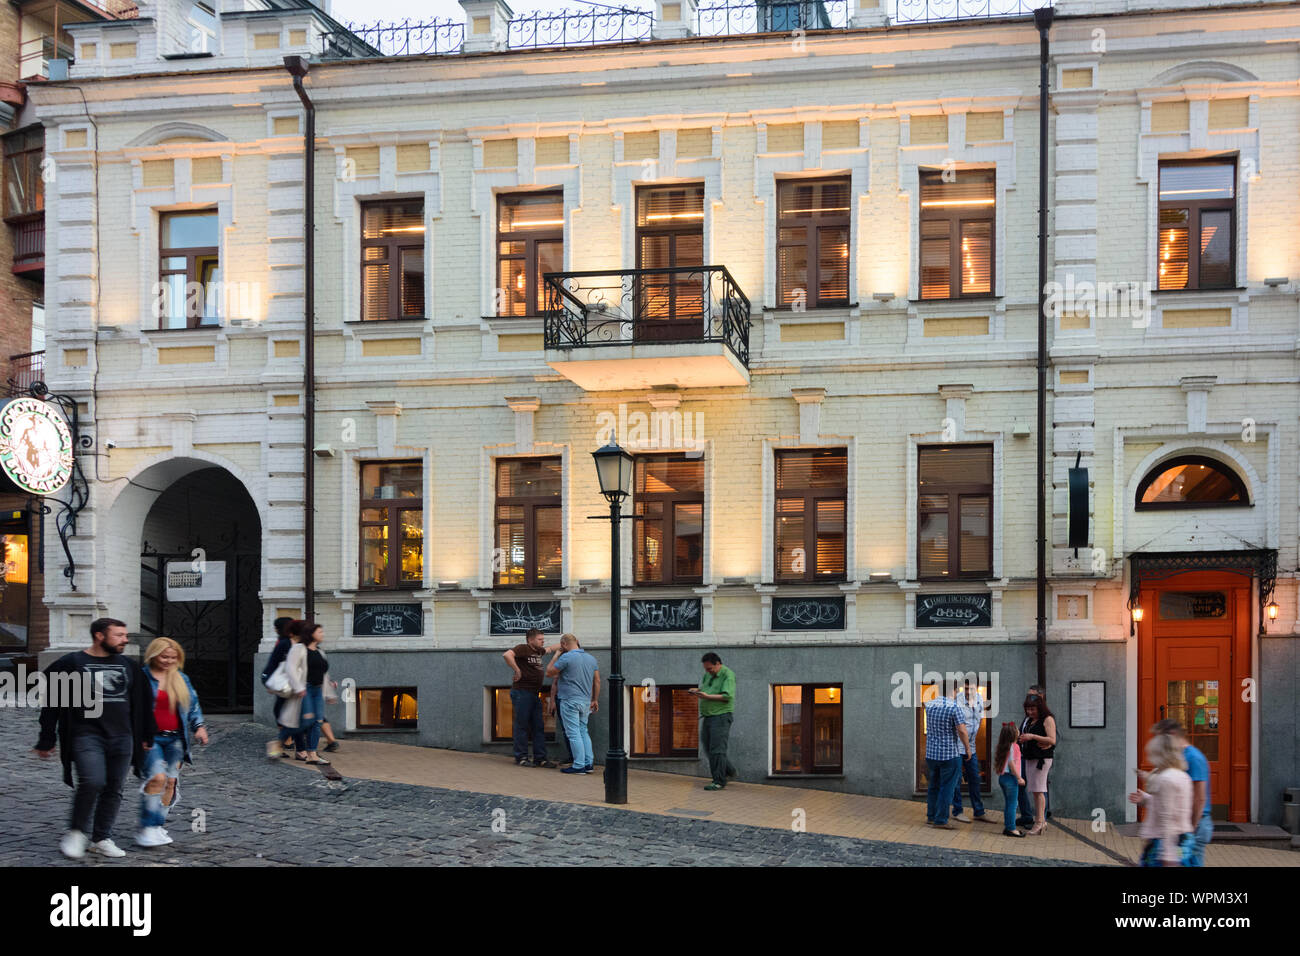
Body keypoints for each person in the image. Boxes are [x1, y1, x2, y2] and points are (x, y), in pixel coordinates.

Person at [33, 617, 158, 860]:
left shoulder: (128, 665)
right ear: (100, 636)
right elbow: (52, 705)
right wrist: (46, 739)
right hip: (86, 735)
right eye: (119, 635)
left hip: (123, 737)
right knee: (92, 781)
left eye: (125, 635)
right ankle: (77, 832)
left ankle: (101, 838)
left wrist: (147, 734)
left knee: (114, 788)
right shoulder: (71, 663)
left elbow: (143, 702)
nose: (125, 639)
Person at [136, 637, 207, 848]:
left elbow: (192, 705)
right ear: (153, 655)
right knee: (157, 777)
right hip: (150, 738)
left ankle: (157, 825)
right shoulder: (141, 678)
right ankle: (146, 827)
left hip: (176, 738)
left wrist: (199, 727)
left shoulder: (181, 678)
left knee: (170, 782)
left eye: (173, 657)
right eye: (164, 656)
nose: (168, 661)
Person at [1152, 718, 1212, 866]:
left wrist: (1189, 829)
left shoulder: (1193, 758)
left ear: (1171, 735)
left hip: (1195, 824)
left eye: (1158, 738)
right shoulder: (1178, 757)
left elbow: (1199, 798)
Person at [1129, 732, 1194, 867]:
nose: (1150, 758)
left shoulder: (1165, 779)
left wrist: (1168, 856)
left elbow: (1168, 819)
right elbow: (1176, 809)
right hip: (1183, 841)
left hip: (1163, 844)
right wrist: (1146, 799)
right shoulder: (1183, 776)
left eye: (1152, 753)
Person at [545, 634, 599, 775]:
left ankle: (579, 765)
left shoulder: (566, 657)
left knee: (573, 733)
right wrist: (595, 699)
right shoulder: (591, 658)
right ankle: (588, 764)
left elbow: (549, 672)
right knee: (583, 731)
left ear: (563, 644)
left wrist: (556, 655)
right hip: (585, 701)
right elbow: (597, 681)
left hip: (570, 700)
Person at [503, 628, 557, 768]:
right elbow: (507, 655)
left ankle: (541, 758)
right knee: (522, 725)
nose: (542, 641)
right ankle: (521, 757)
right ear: (530, 639)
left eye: (543, 639)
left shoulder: (538, 651)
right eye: (540, 639)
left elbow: (550, 648)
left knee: (538, 726)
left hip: (534, 694)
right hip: (522, 692)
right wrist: (517, 669)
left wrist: (568, 643)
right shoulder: (523, 648)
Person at [924, 678, 970, 829]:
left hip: (931, 753)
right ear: (953, 691)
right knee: (947, 788)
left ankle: (931, 816)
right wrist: (967, 749)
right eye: (957, 691)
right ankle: (941, 820)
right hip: (949, 754)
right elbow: (962, 730)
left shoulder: (929, 705)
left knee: (934, 786)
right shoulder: (954, 707)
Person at [688, 652, 737, 791]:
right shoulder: (708, 675)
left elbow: (727, 696)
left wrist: (707, 696)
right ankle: (729, 770)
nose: (707, 671)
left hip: (721, 717)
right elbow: (705, 688)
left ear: (718, 664)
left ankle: (719, 781)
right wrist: (697, 690)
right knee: (708, 747)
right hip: (708, 716)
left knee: (717, 749)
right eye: (705, 669)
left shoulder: (728, 675)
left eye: (710, 668)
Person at [293, 622, 333, 765]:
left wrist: (329, 691)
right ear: (311, 634)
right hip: (305, 689)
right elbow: (291, 669)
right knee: (307, 721)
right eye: (319, 632)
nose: (322, 634)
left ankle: (312, 754)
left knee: (317, 721)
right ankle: (298, 747)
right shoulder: (299, 649)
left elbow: (324, 673)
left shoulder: (320, 652)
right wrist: (298, 688)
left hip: (318, 689)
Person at [951, 681, 991, 823]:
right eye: (966, 688)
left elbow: (978, 719)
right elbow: (956, 724)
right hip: (958, 746)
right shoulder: (957, 701)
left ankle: (978, 812)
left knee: (975, 778)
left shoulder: (979, 699)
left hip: (971, 747)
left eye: (971, 689)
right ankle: (957, 811)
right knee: (956, 780)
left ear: (976, 688)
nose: (968, 692)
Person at [1020, 693, 1056, 835]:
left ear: (1040, 708)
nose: (1029, 712)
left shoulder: (1047, 719)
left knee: (1038, 790)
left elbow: (1052, 739)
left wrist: (1032, 736)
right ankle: (1041, 821)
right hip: (1031, 757)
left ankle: (1039, 822)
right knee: (1035, 790)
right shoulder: (1030, 720)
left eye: (1032, 709)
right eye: (1028, 709)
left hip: (1041, 759)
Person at [262, 616, 295, 758]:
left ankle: (288, 744)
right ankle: (283, 744)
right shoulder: (285, 643)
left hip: (294, 685)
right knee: (288, 714)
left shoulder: (290, 642)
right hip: (290, 685)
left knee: (294, 716)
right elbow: (275, 664)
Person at [994, 722, 1025, 837]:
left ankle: (1008, 827)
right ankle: (1011, 828)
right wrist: (1019, 778)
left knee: (1009, 803)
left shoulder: (1004, 746)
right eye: (1017, 730)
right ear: (1013, 734)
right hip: (1011, 779)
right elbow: (1012, 764)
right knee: (1012, 804)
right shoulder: (1014, 747)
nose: (1018, 731)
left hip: (1003, 778)